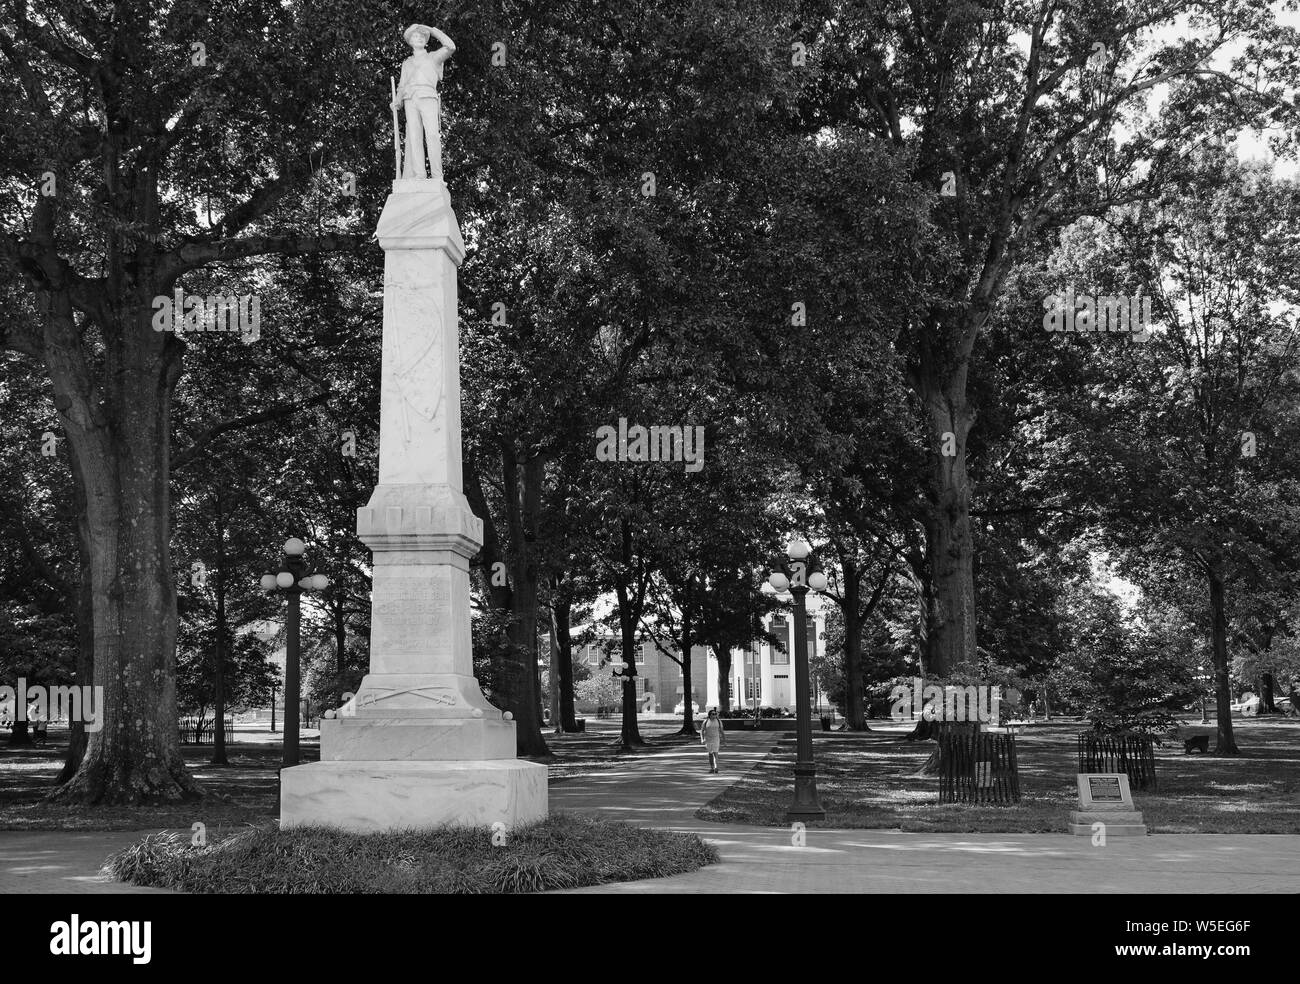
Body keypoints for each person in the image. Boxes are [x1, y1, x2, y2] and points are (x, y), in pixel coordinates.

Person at [392, 24, 456, 182]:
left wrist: (432, 30)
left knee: (432, 136)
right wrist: (398, 100)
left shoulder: (433, 57)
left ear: (426, 40)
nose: (418, 38)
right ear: (410, 41)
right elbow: (402, 85)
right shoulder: (406, 64)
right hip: (410, 99)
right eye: (415, 36)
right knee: (414, 137)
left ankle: (437, 176)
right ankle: (419, 174)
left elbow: (450, 46)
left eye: (422, 36)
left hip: (428, 96)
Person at [701, 708, 725, 773]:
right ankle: (712, 768)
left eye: (715, 714)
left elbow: (722, 731)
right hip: (708, 740)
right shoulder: (706, 721)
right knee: (710, 754)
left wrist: (724, 740)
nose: (715, 715)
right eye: (713, 714)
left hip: (716, 739)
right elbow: (702, 731)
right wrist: (702, 739)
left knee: (715, 753)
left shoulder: (719, 721)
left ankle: (716, 767)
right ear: (710, 715)